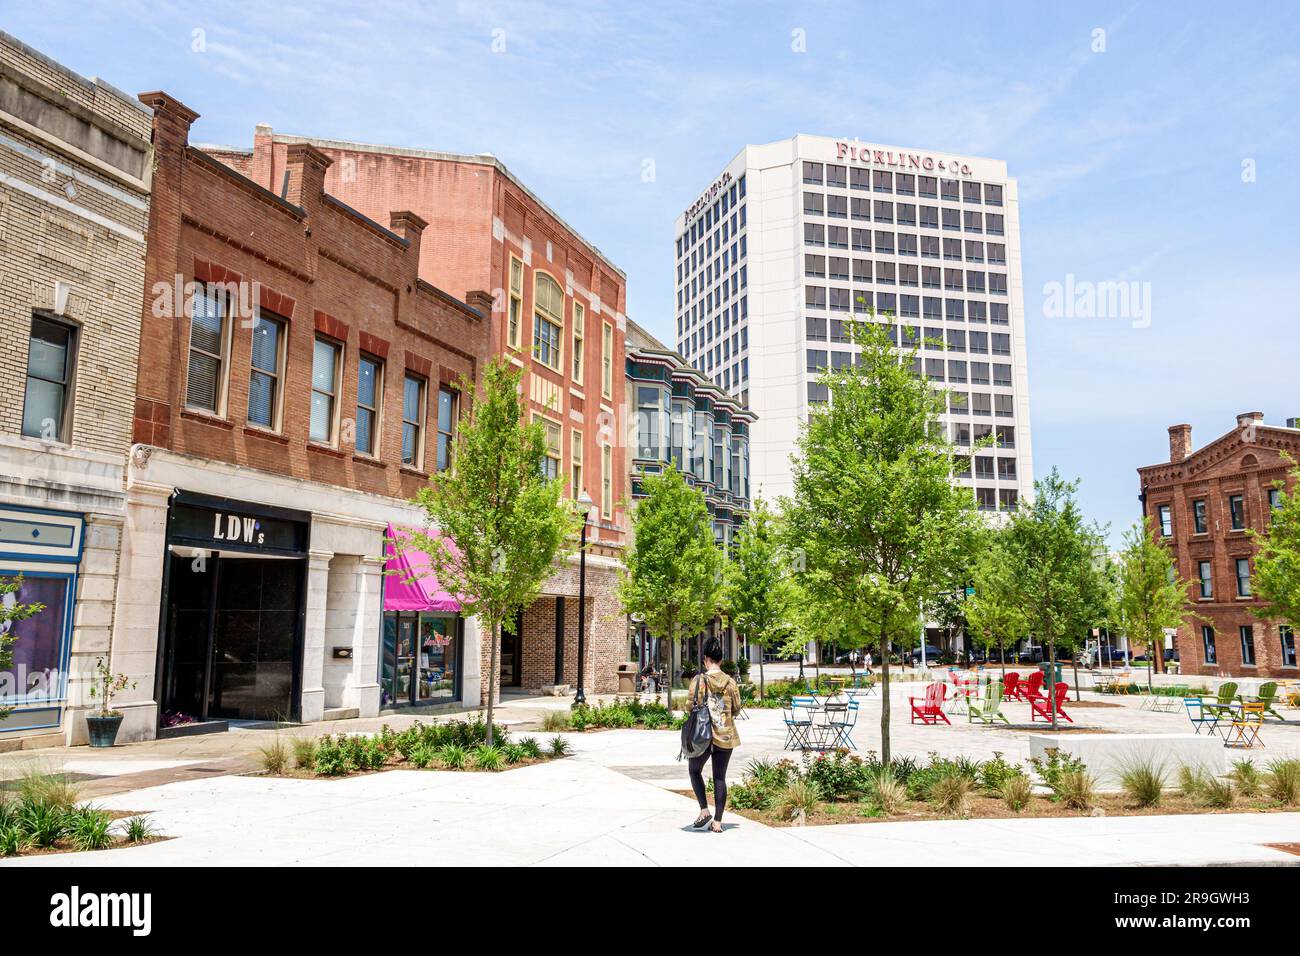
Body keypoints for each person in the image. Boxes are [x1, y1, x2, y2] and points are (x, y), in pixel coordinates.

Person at [686, 636, 743, 833]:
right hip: (725, 735)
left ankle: (704, 810)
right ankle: (717, 822)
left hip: (703, 736)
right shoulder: (730, 682)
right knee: (720, 777)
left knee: (694, 770)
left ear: (706, 659)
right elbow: (737, 708)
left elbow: (688, 707)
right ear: (720, 659)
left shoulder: (699, 680)